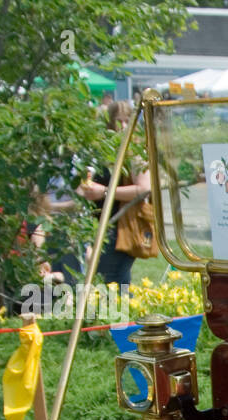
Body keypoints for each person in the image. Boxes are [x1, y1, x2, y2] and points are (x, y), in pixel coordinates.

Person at [76, 99, 150, 286]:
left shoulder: (135, 152)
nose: (123, 126)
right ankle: (121, 313)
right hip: (98, 222)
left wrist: (105, 192)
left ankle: (123, 314)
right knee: (102, 278)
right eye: (119, 120)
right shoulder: (102, 150)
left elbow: (144, 188)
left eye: (128, 120)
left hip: (122, 224)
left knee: (111, 278)